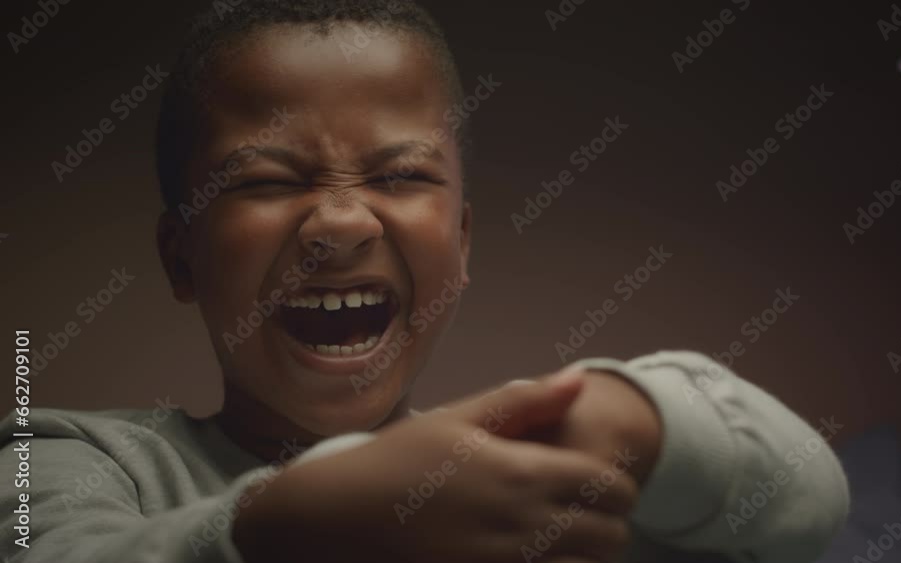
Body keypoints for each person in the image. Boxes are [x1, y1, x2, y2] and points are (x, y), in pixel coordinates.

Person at [0, 1, 849, 561]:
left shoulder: (517, 484)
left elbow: (807, 497)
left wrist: (631, 416)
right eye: (263, 181)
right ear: (180, 256)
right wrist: (288, 524)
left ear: (464, 240)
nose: (340, 223)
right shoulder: (69, 454)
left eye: (401, 176)